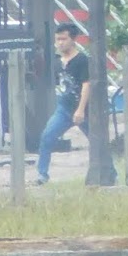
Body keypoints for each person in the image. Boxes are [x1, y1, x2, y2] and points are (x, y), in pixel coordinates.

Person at [37, 22, 92, 186]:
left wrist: (81, 109)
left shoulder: (82, 60)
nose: (60, 43)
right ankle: (42, 174)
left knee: (97, 142)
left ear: (73, 39)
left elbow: (87, 84)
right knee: (47, 136)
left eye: (64, 39)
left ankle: (110, 173)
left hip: (83, 108)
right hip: (64, 108)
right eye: (58, 39)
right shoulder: (57, 62)